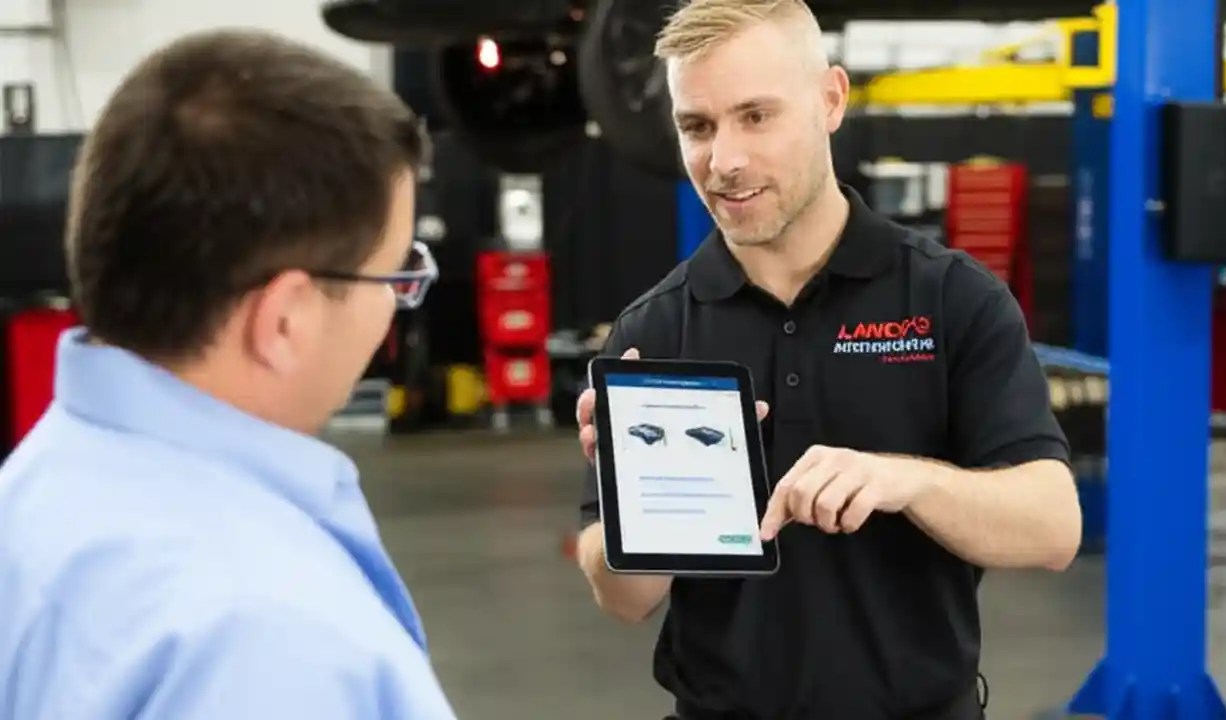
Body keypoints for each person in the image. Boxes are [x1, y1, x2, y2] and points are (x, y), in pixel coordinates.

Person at [573, 1, 1083, 718]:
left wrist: (902, 480)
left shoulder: (950, 298)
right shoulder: (653, 329)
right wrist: (641, 501)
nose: (724, 161)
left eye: (756, 116)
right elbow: (623, 599)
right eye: (698, 126)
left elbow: (1054, 528)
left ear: (830, 100)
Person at [0, 29, 455, 719]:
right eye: (395, 274)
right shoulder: (271, 640)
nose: (395, 306)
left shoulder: (36, 490)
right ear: (285, 320)